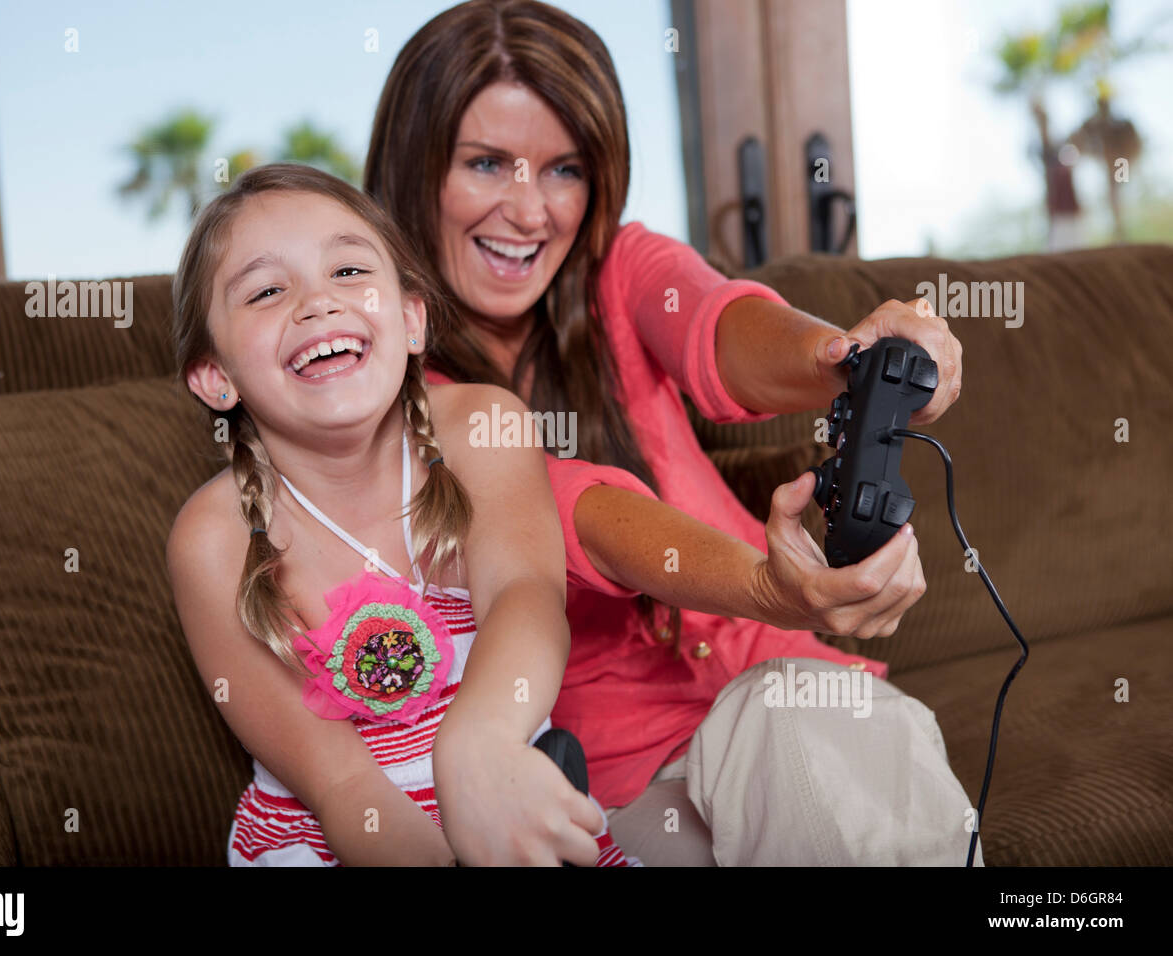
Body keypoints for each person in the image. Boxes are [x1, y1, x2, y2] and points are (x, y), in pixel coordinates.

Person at [364, 0, 980, 865]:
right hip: (621, 787)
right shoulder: (387, 390)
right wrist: (769, 584)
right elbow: (575, 514)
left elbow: (722, 331)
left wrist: (845, 358)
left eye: (564, 169)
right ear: (411, 166)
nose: (530, 210)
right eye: (487, 163)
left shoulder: (620, 270)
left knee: (796, 727)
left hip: (791, 703)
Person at [165, 163, 637, 866]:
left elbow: (526, 595)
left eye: (349, 271)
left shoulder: (484, 426)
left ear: (412, 320)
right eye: (267, 290)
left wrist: (480, 745)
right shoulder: (212, 539)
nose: (317, 303)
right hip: (343, 832)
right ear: (216, 376)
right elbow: (342, 785)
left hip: (502, 777)